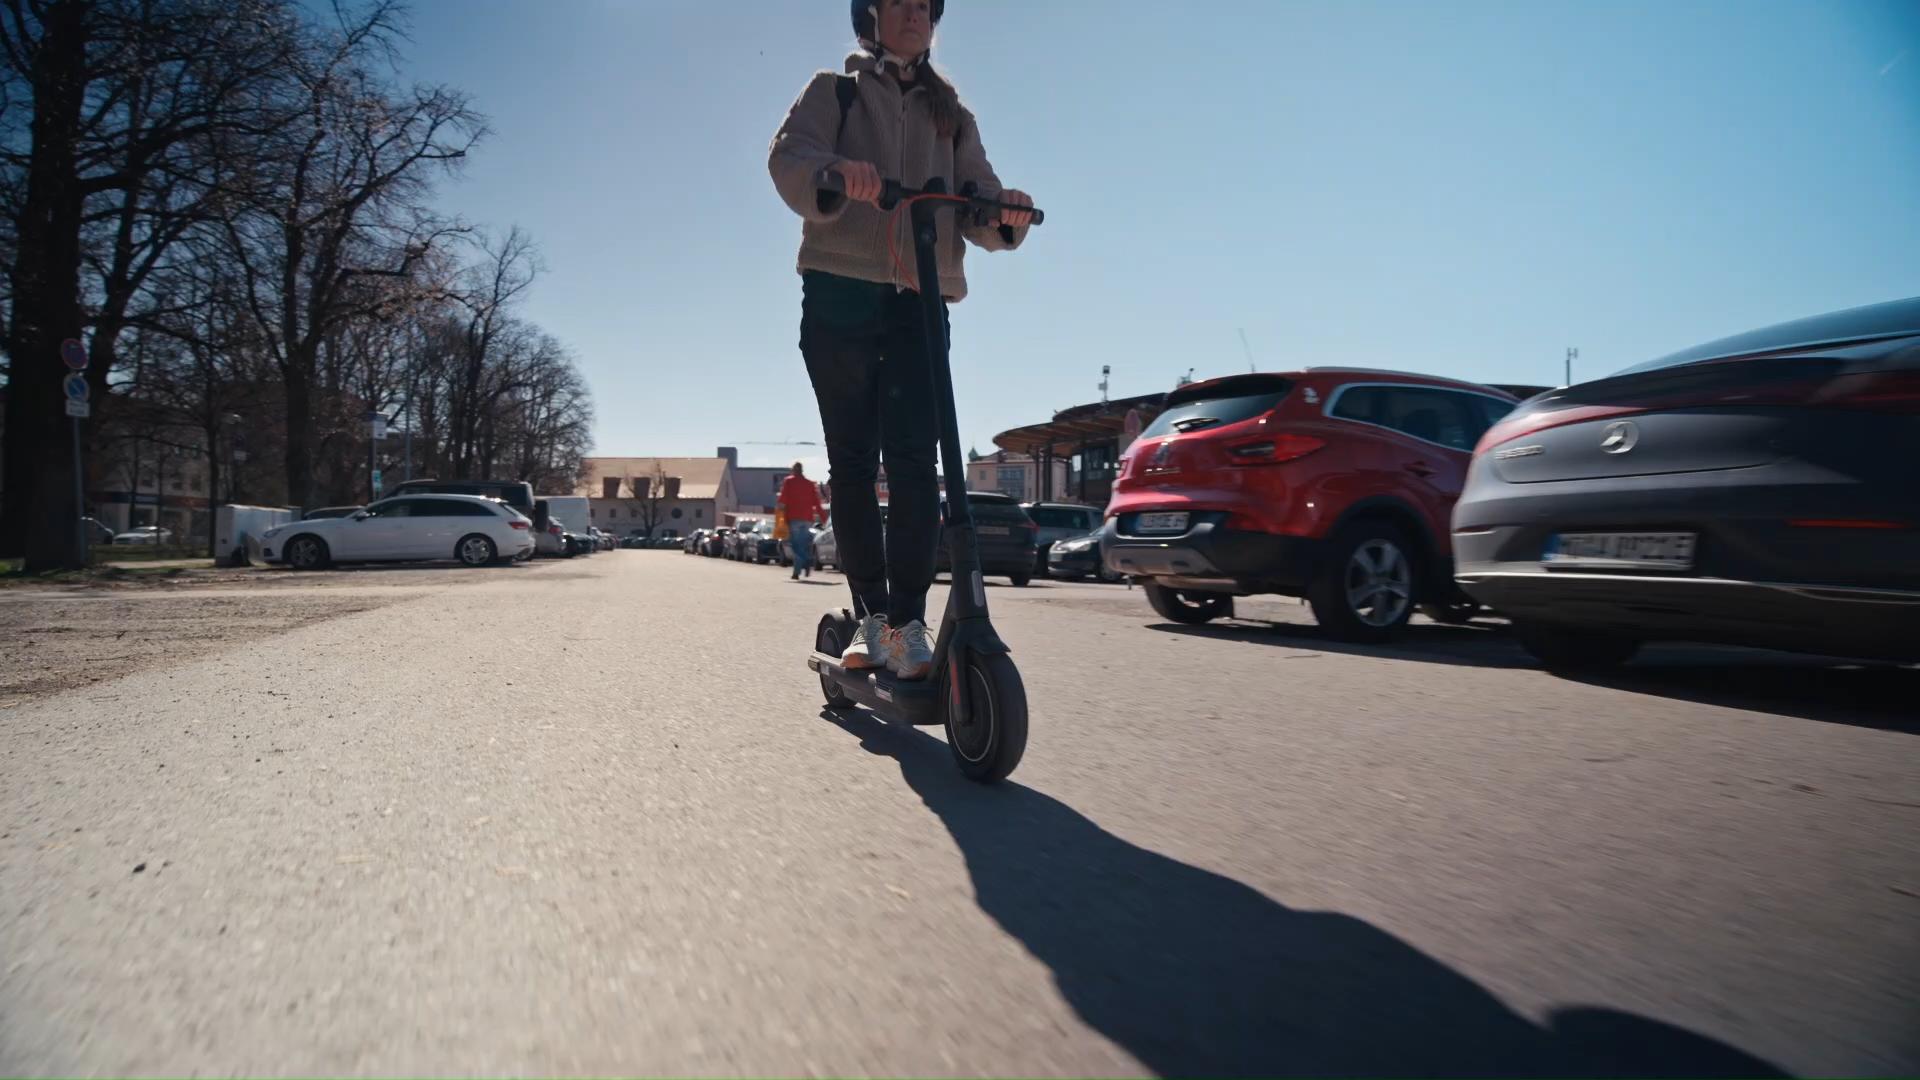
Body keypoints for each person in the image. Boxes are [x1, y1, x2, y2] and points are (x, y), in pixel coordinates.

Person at [768, 0, 1035, 680]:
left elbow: (979, 193)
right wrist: (835, 174)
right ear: (874, 16)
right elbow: (790, 157)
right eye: (903, 4)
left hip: (919, 295)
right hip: (841, 289)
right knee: (855, 461)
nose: (916, 15)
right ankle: (868, 617)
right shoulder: (838, 90)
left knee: (917, 460)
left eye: (926, 7)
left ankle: (908, 625)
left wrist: (1003, 210)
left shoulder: (954, 115)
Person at [777, 462, 825, 579]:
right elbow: (817, 504)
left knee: (795, 546)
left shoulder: (789, 481)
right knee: (801, 546)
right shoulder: (810, 484)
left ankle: (806, 561)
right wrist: (824, 519)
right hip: (808, 520)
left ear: (793, 470)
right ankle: (796, 572)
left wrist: (779, 517)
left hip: (794, 519)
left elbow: (782, 501)